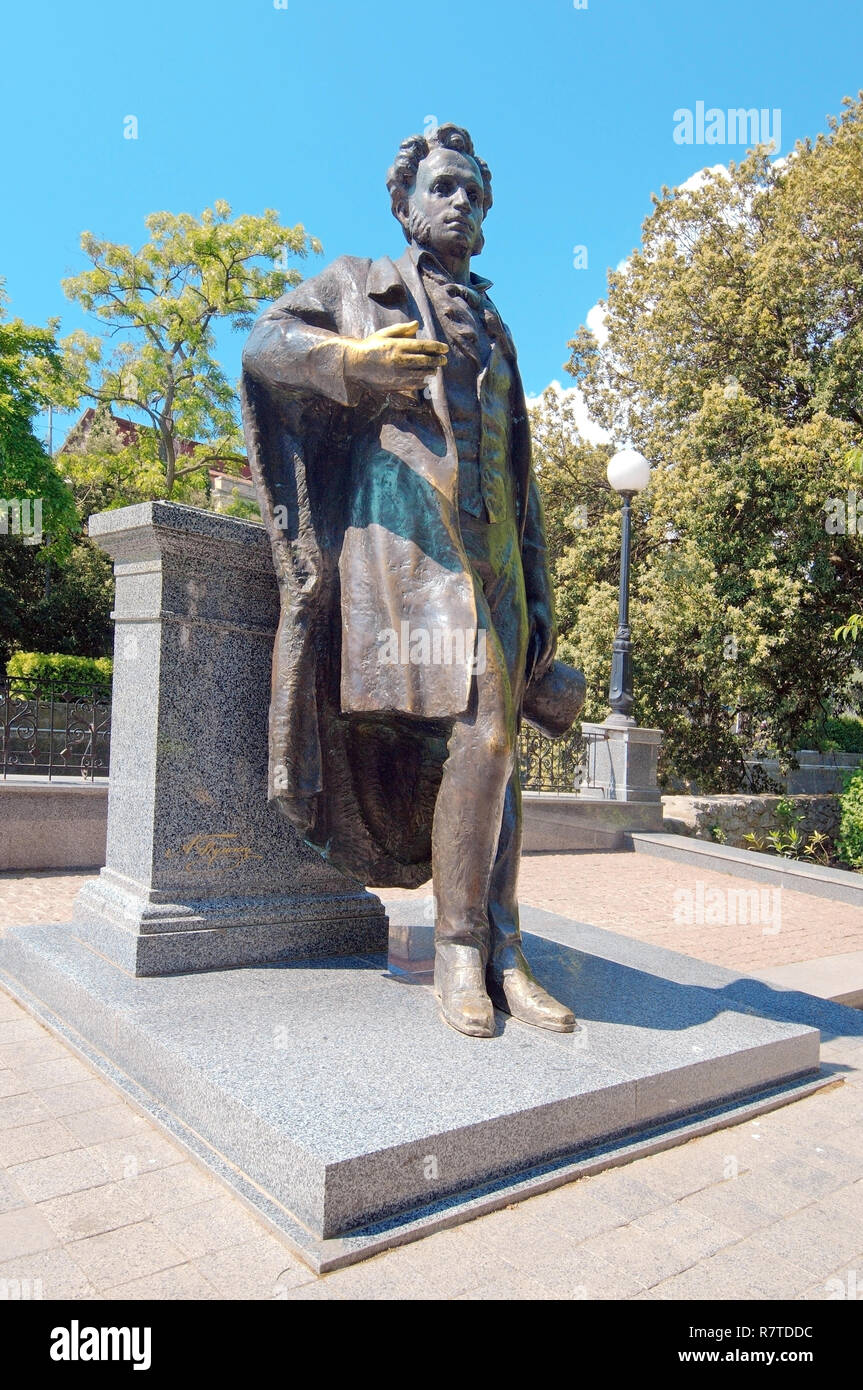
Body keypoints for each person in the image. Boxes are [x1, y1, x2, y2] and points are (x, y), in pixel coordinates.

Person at [242, 123, 576, 1037]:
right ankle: (471, 949)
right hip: (407, 550)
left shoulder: (498, 329)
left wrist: (541, 588)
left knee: (494, 749)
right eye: (441, 188)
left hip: (496, 559)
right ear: (404, 205)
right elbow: (263, 345)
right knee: (488, 738)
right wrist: (351, 363)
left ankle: (498, 949)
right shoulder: (357, 285)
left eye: (471, 190)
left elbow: (521, 476)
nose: (459, 202)